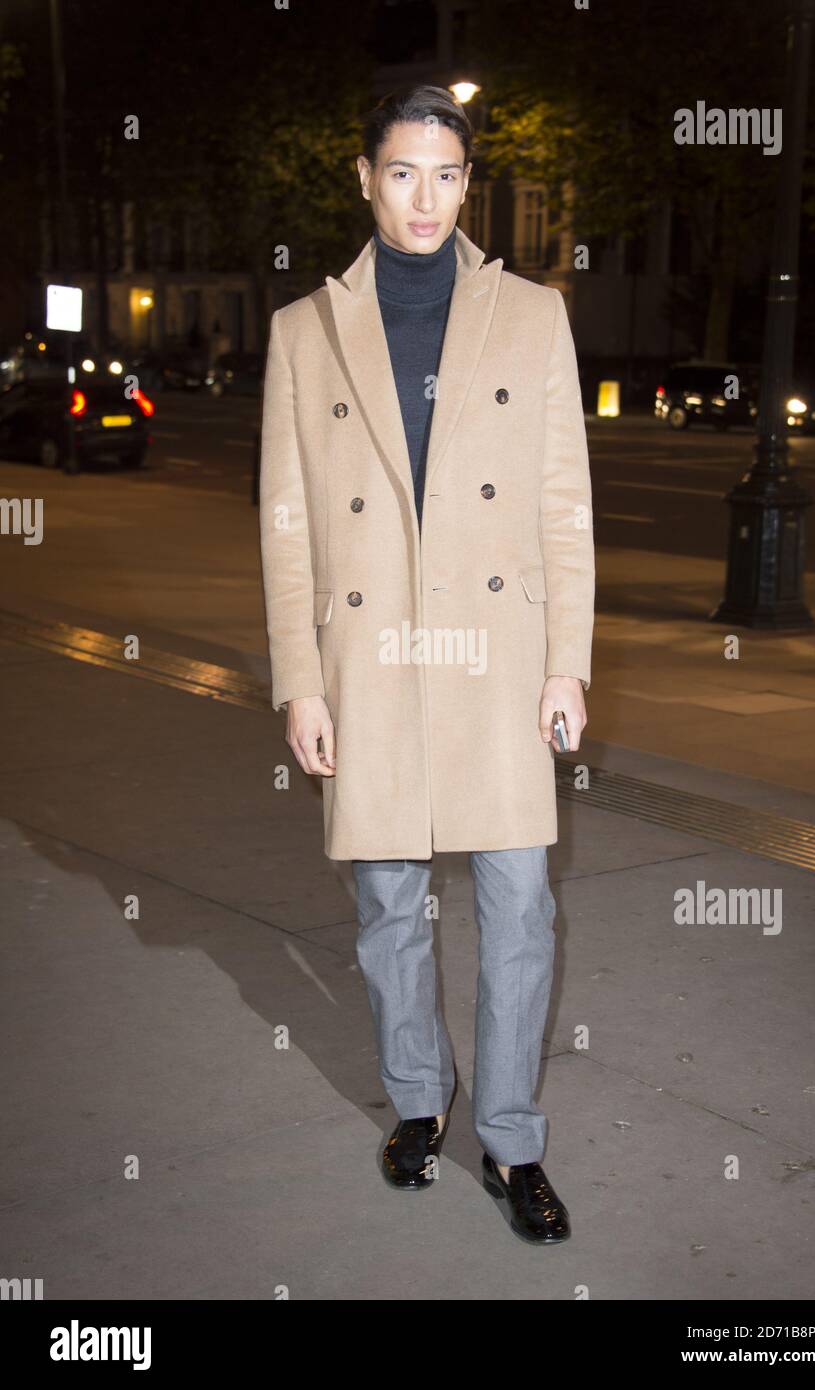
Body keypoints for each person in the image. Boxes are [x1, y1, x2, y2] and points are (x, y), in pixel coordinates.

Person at [259, 84, 594, 1245]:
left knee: (518, 910)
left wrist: (567, 662)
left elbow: (562, 505)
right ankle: (416, 1101)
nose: (425, 197)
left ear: (467, 184)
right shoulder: (304, 329)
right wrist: (299, 680)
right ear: (364, 178)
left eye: (446, 176)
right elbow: (286, 518)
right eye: (402, 172)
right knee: (388, 903)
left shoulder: (530, 314)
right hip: (372, 657)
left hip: (497, 657)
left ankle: (509, 1137)